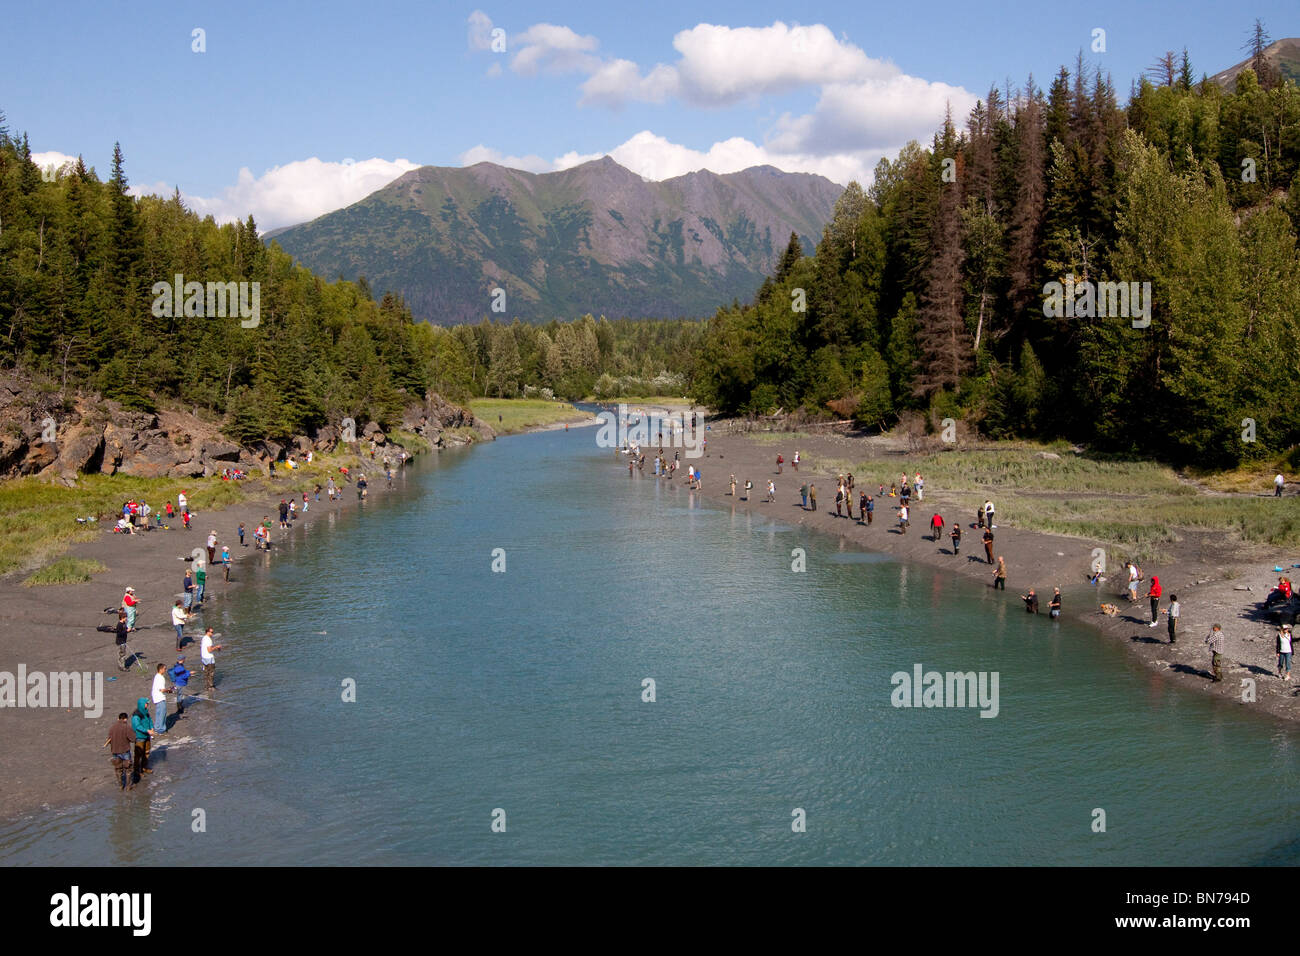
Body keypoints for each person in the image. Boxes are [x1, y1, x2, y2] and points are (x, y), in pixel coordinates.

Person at [104, 712, 134, 790]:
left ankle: (120, 786)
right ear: (125, 719)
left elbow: (109, 739)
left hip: (115, 752)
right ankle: (128, 786)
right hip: (125, 751)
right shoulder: (127, 727)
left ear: (118, 718)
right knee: (128, 769)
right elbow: (133, 739)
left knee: (118, 769)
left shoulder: (112, 728)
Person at [131, 696, 156, 782]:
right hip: (140, 737)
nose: (147, 705)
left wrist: (152, 728)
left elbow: (150, 721)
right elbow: (137, 726)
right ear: (142, 704)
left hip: (147, 736)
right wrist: (147, 730)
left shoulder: (146, 713)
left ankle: (144, 767)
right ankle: (137, 771)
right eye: (146, 704)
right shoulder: (136, 716)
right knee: (138, 755)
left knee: (147, 752)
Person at [200, 627, 223, 696]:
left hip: (204, 657)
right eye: (211, 632)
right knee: (211, 673)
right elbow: (209, 650)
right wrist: (216, 647)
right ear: (207, 632)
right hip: (209, 658)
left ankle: (207, 686)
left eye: (212, 632)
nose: (212, 633)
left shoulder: (204, 638)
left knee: (206, 672)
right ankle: (210, 687)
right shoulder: (208, 640)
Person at [151, 663, 170, 734]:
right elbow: (162, 690)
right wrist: (168, 690)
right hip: (160, 698)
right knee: (162, 713)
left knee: (158, 713)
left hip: (156, 697)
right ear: (161, 669)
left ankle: (157, 727)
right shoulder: (161, 678)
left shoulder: (157, 676)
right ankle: (160, 729)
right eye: (165, 669)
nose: (165, 670)